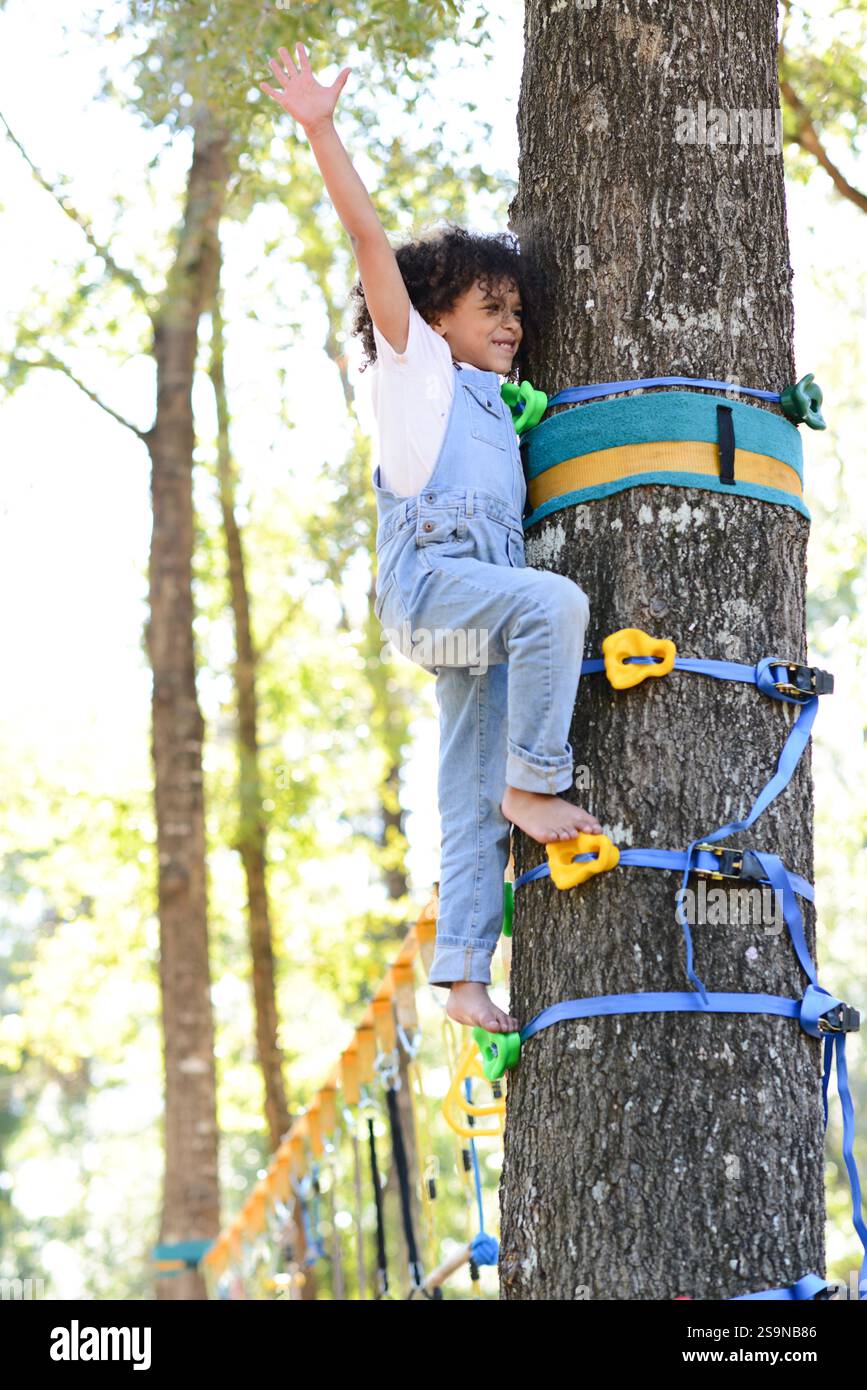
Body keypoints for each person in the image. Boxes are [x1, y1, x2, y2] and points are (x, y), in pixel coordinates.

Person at [261, 43, 602, 1034]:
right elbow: (371, 244)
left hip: (477, 621)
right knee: (559, 602)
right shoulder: (415, 375)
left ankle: (461, 980)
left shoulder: (501, 407)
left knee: (464, 795)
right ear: (431, 316)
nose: (510, 322)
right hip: (436, 592)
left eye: (518, 312)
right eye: (488, 306)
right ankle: (537, 783)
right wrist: (323, 130)